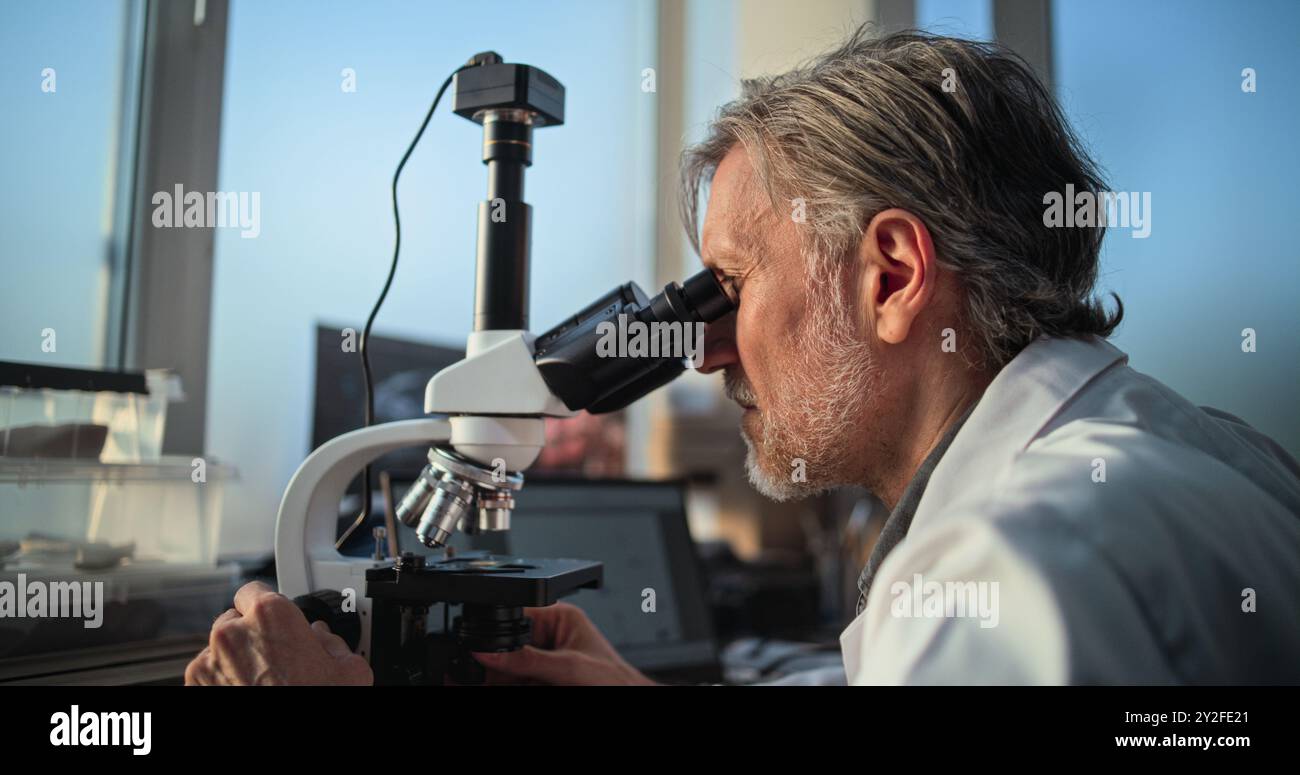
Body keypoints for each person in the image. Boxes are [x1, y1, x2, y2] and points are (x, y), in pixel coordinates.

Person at [186, 27, 1300, 686]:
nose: (701, 345)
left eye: (729, 285)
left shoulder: (998, 573)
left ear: (893, 276)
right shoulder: (1200, 453)